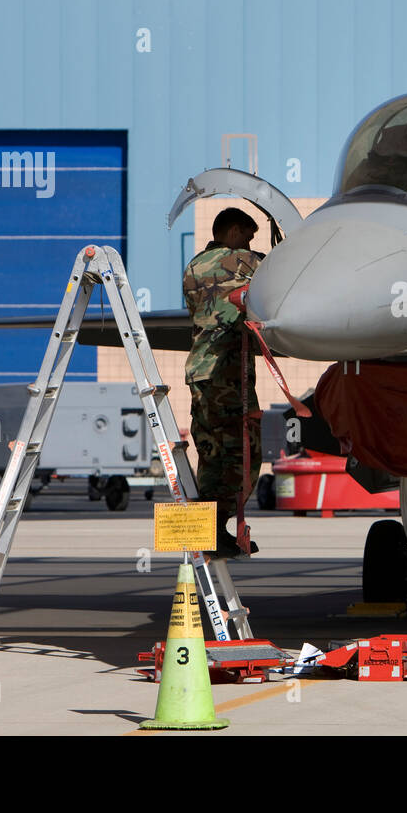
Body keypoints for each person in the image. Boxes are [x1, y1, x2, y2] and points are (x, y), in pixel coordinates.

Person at [182, 207, 262, 556]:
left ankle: (212, 530)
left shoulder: (194, 267)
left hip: (202, 371)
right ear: (232, 231)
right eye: (247, 235)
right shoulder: (241, 262)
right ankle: (214, 527)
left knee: (211, 454)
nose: (249, 244)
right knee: (243, 455)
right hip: (227, 375)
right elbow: (281, 274)